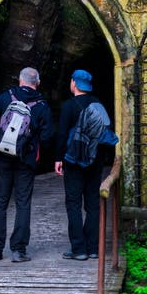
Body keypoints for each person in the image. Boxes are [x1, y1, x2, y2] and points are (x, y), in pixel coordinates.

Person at [0, 66, 53, 262]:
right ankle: (18, 250)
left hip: (1, 157)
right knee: (23, 203)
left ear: (20, 80)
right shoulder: (41, 105)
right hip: (26, 160)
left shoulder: (6, 97)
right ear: (37, 83)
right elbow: (48, 136)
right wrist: (35, 148)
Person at [54, 69, 115, 261]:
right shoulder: (98, 105)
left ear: (73, 83)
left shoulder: (69, 106)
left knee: (73, 203)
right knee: (93, 204)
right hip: (95, 161)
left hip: (73, 161)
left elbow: (62, 134)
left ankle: (78, 249)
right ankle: (94, 248)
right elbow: (106, 133)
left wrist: (58, 158)